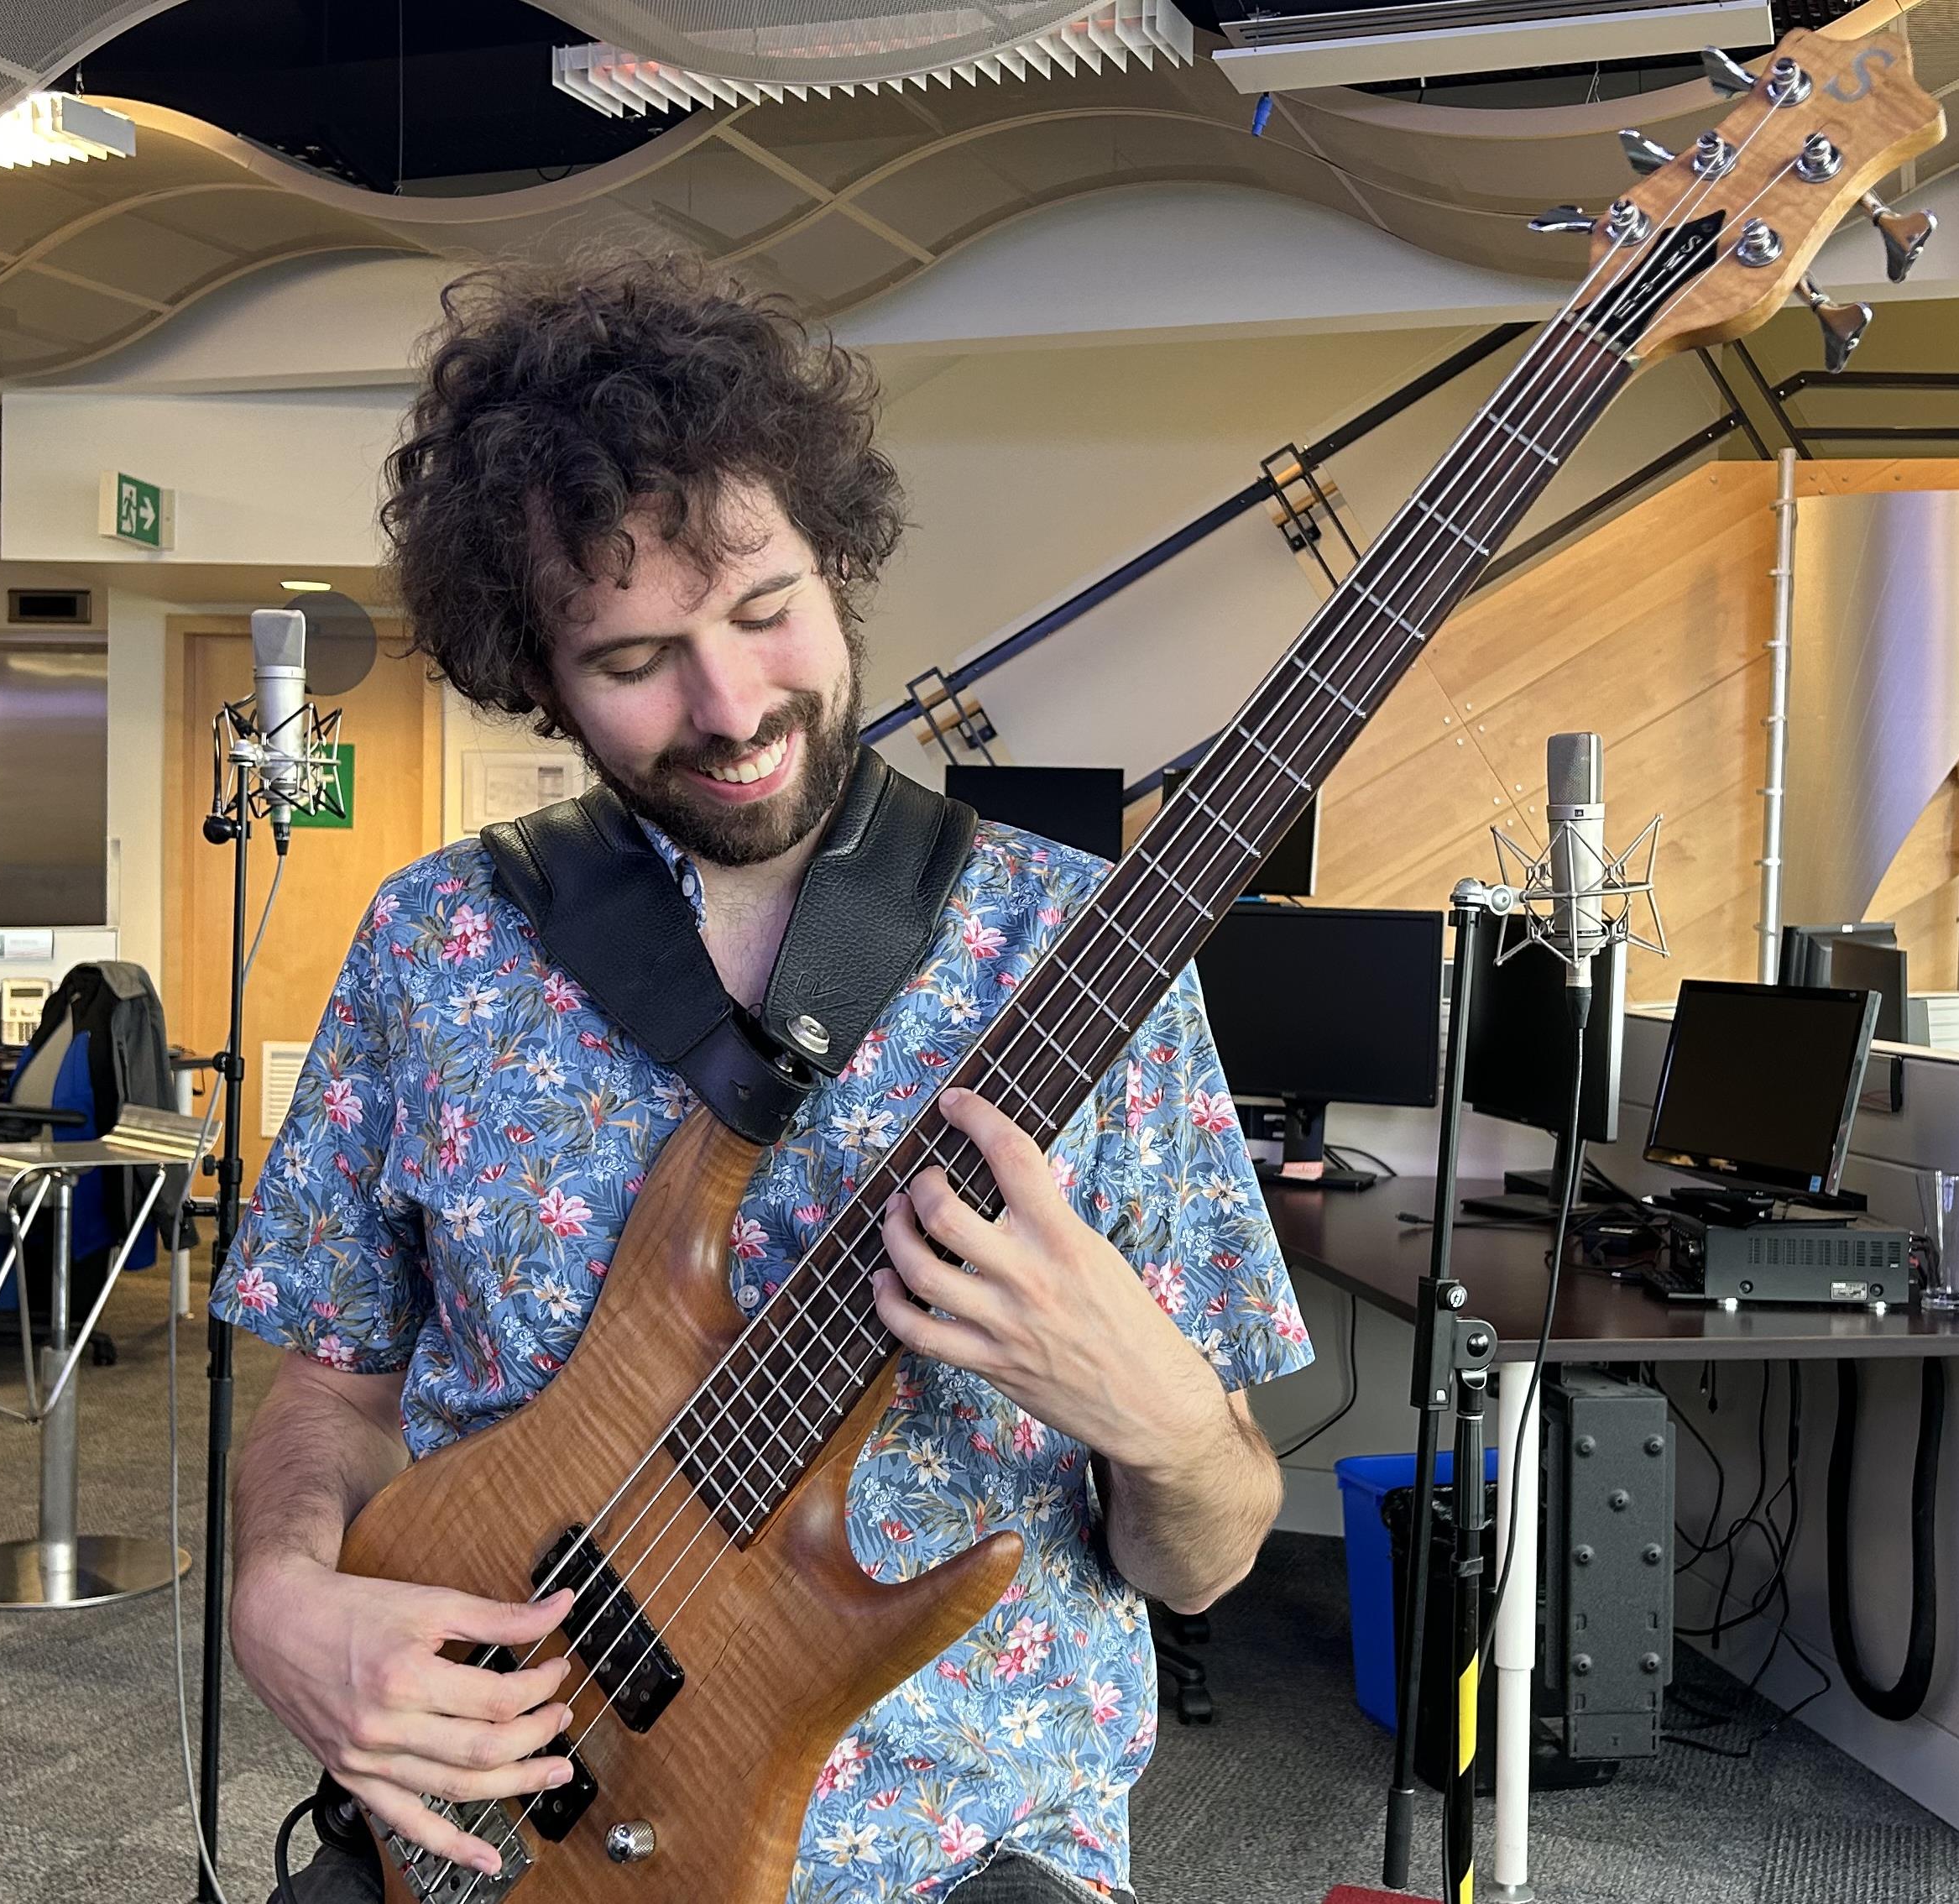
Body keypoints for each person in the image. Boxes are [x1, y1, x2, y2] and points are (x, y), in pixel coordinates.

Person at [217, 254, 1310, 1904]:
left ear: (838, 561)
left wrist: (1161, 1421)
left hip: (958, 1856)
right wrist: (281, 1595)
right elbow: (333, 1387)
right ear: (537, 671)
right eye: (633, 660)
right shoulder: (438, 946)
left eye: (764, 610)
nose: (731, 707)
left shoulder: (1082, 953)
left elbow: (1205, 1563)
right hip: (506, 1817)